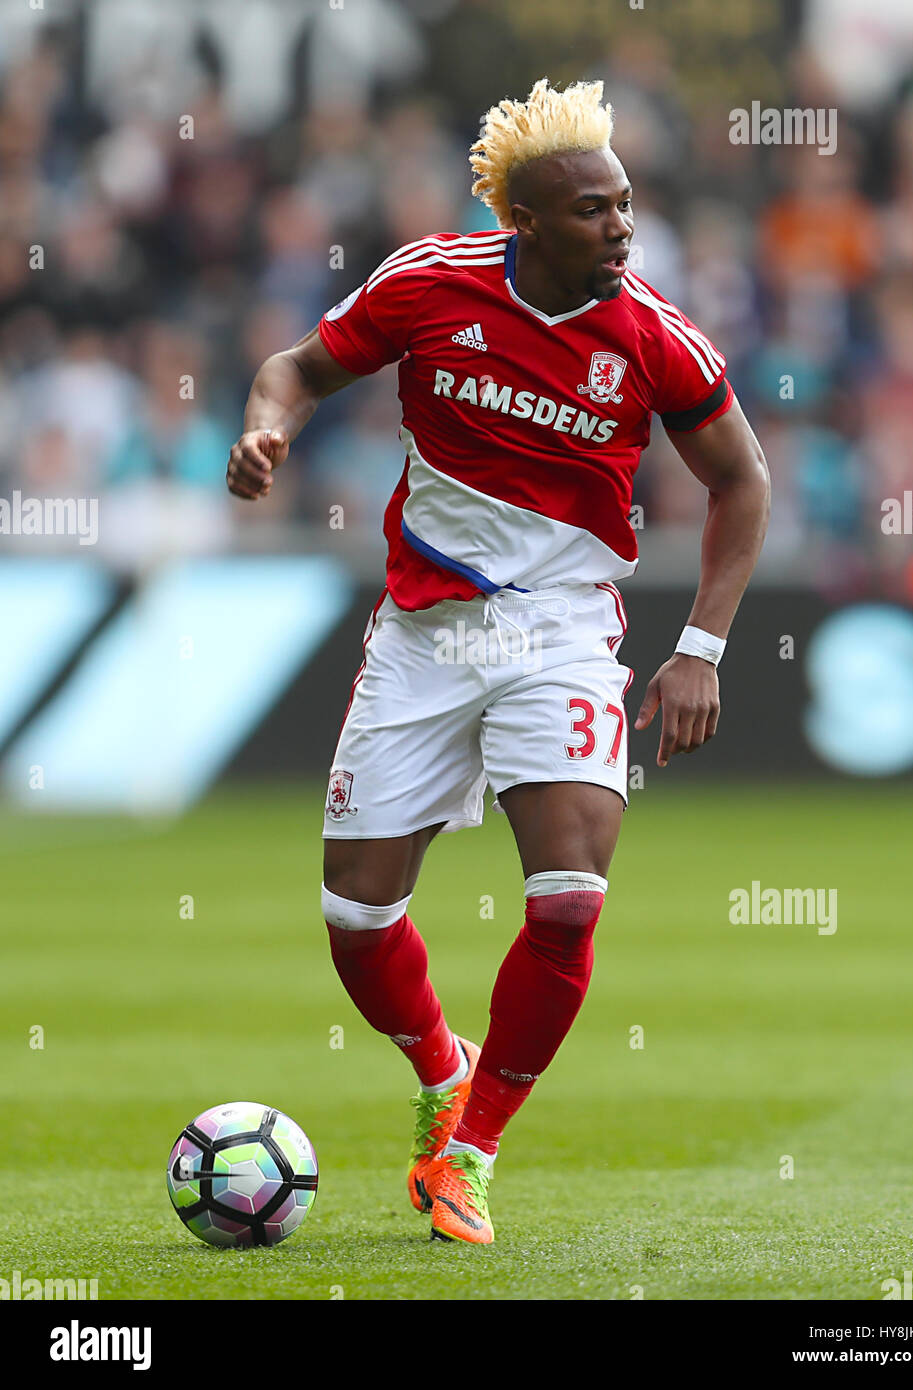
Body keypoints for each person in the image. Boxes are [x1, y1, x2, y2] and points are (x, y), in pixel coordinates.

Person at [226, 78, 770, 1244]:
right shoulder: (431, 282)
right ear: (523, 219)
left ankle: (465, 1152)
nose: (619, 227)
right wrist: (266, 428)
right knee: (356, 923)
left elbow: (741, 479)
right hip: (425, 634)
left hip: (561, 633)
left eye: (624, 206)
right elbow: (295, 368)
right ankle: (438, 1070)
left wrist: (701, 648)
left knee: (568, 902)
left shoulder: (651, 338)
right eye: (591, 210)